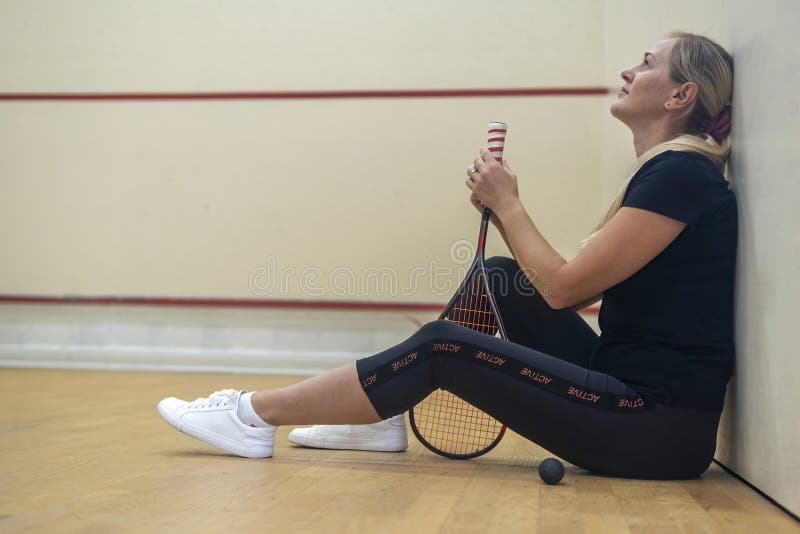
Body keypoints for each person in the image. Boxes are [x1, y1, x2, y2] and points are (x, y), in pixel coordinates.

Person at [158, 32, 736, 479]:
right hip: (637, 405)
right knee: (502, 279)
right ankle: (383, 417)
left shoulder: (681, 175)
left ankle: (250, 415)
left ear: (681, 94)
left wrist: (507, 203)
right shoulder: (673, 173)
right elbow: (563, 289)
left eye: (646, 64)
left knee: (442, 346)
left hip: (653, 429)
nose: (628, 71)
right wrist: (506, 204)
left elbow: (564, 289)